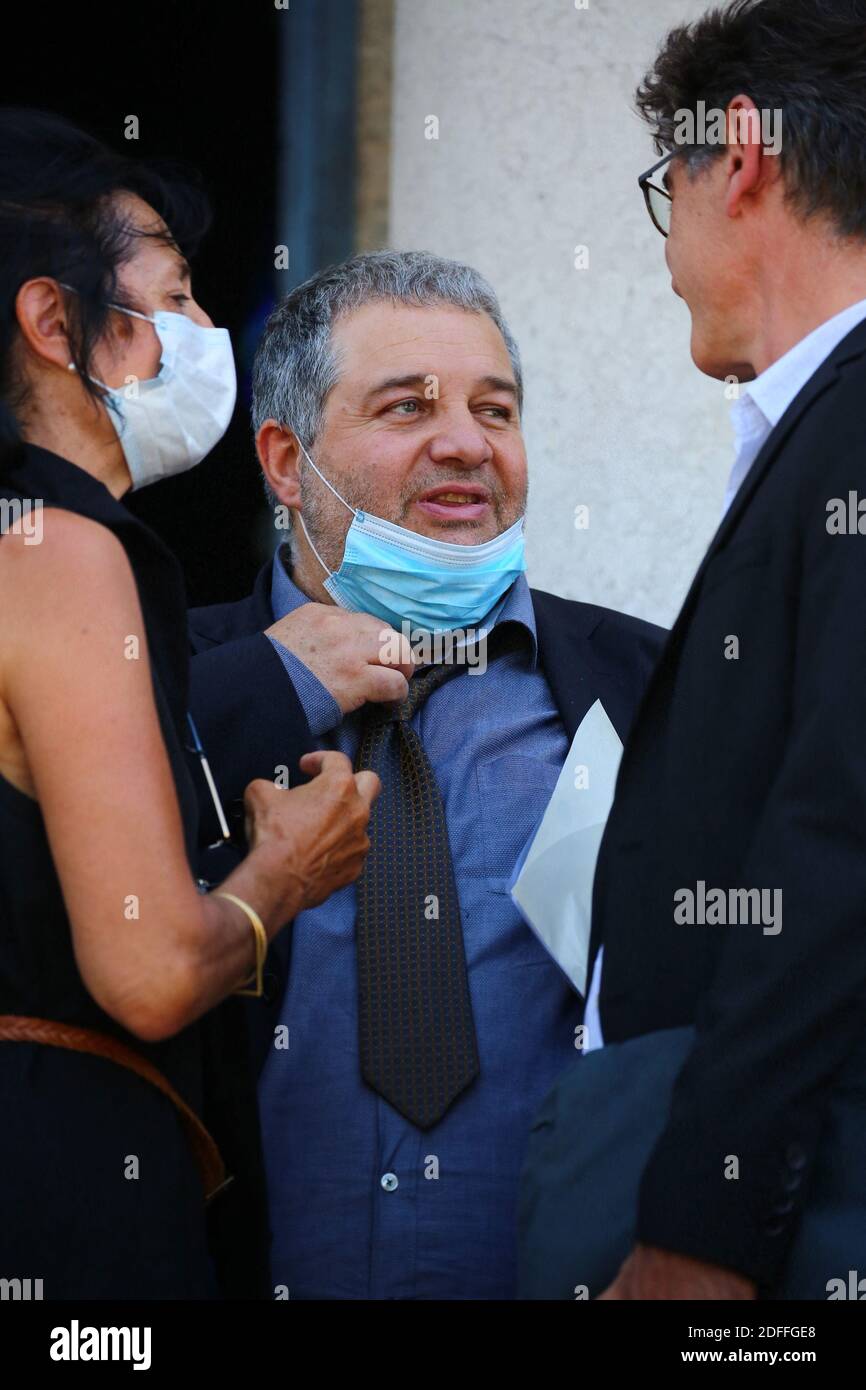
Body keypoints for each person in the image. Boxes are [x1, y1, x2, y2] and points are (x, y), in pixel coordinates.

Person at [186, 250, 666, 1299]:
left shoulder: (650, 687)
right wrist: (255, 695)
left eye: (495, 412)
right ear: (283, 461)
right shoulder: (160, 684)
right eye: (407, 409)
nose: (465, 444)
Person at [0, 108, 378, 1300]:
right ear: (57, 322)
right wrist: (285, 868)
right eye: (175, 295)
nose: (209, 331)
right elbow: (154, 966)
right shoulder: (56, 551)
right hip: (60, 1191)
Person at [580, 0, 866, 1298]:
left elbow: (839, 824)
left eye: (667, 190)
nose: (666, 251)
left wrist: (705, 1216)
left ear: (735, 152)